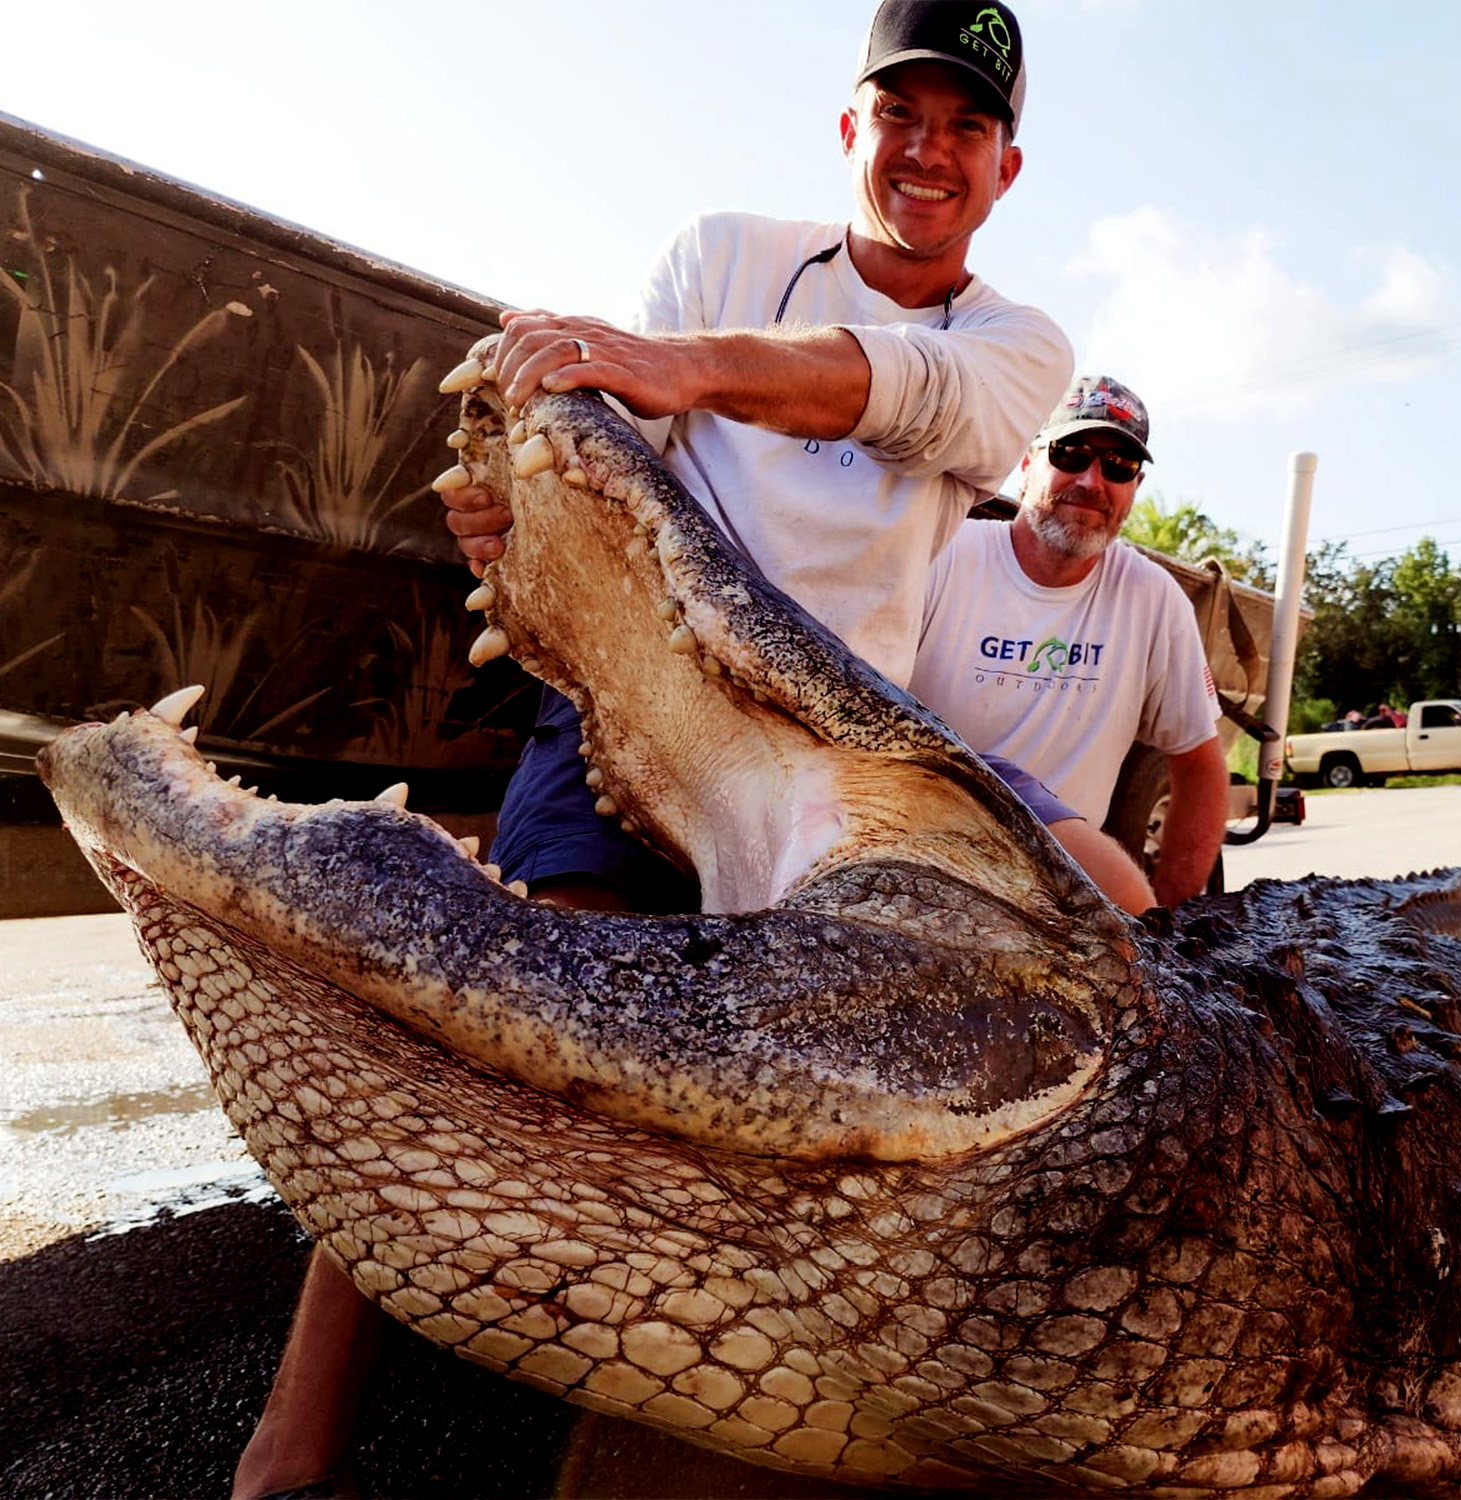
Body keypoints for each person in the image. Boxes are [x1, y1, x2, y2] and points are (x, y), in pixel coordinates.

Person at [234, 5, 1077, 1497]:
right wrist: (518, 515)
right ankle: (291, 1442)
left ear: (1008, 164)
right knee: (501, 992)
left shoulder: (1020, 346)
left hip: (836, 752)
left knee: (864, 1068)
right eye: (903, 114)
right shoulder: (724, 247)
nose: (929, 151)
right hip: (638, 683)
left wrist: (675, 364)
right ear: (852, 131)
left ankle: (726, 1383)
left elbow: (917, 399)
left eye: (965, 125)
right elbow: (612, 479)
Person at [908, 375, 1230, 909]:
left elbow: (1199, 762)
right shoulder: (940, 558)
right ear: (1028, 463)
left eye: (1119, 467)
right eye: (1072, 454)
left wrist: (1174, 924)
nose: (1091, 481)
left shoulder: (1152, 599)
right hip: (921, 867)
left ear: (1134, 488)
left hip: (1063, 898)